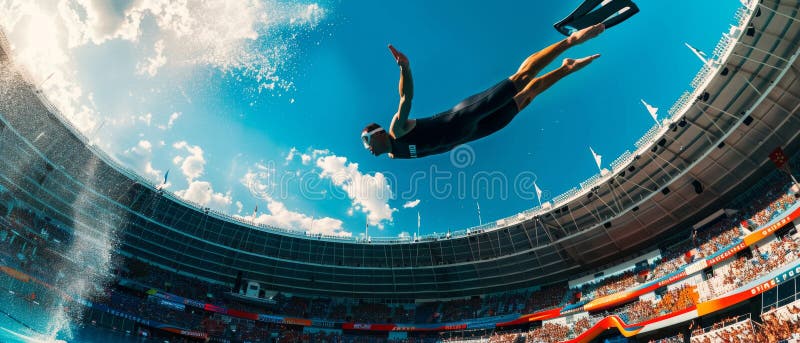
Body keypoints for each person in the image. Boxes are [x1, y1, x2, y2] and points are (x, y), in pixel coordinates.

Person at [361, 24, 605, 159]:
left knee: (520, 79)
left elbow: (406, 98)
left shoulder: (397, 129)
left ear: (379, 133)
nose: (367, 147)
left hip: (465, 116)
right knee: (527, 97)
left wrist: (405, 68)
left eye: (367, 140)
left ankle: (569, 42)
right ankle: (566, 68)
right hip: (476, 132)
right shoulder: (396, 156)